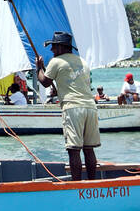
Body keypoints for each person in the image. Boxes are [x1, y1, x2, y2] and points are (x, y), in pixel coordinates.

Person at [35, 31, 100, 182]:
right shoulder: (82, 61)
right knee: (88, 149)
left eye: (54, 47)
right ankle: (92, 182)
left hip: (73, 107)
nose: (52, 50)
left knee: (74, 149)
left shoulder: (56, 61)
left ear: (61, 47)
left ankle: (76, 186)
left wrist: (38, 67)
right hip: (90, 107)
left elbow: (44, 81)